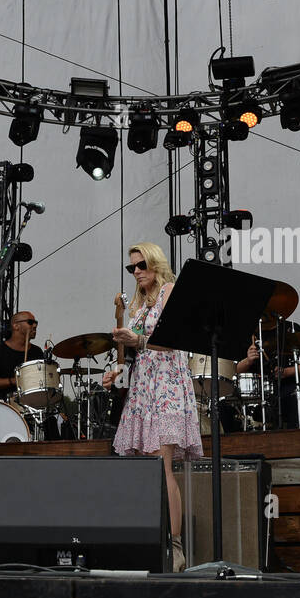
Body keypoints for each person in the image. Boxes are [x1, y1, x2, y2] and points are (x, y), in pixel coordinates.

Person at [101, 242, 202, 572]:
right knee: (147, 469)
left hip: (167, 385)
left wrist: (137, 340)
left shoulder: (169, 291)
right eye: (131, 268)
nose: (137, 271)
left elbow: (171, 338)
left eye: (141, 264)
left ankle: (175, 547)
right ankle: (152, 540)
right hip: (144, 386)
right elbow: (130, 350)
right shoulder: (138, 305)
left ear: (155, 263)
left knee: (162, 466)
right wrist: (116, 369)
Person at [234, 322, 300, 429]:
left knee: (294, 396)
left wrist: (287, 372)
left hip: (291, 391)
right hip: (258, 396)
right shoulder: (250, 334)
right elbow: (233, 371)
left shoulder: (291, 328)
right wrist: (248, 360)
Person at [0, 311, 44, 395]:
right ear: (16, 326)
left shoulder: (37, 352)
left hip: (31, 404)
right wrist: (15, 380)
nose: (35, 326)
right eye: (30, 322)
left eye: (36, 323)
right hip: (2, 404)